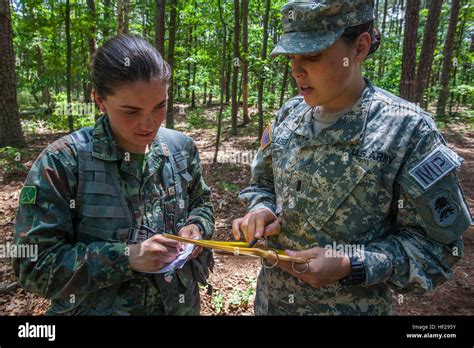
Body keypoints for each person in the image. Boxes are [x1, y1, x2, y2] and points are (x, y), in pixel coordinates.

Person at [232, 0, 472, 315]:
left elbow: (439, 248)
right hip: (272, 304)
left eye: (312, 55)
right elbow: (262, 183)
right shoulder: (288, 116)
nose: (296, 70)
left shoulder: (407, 130)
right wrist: (261, 209)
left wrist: (352, 264)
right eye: (291, 56)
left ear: (359, 48)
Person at [13, 35, 214, 315]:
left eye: (160, 106)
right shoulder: (63, 162)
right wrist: (126, 258)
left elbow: (202, 204)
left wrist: (196, 228)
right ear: (99, 100)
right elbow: (32, 266)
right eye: (131, 111)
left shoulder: (181, 149)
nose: (149, 124)